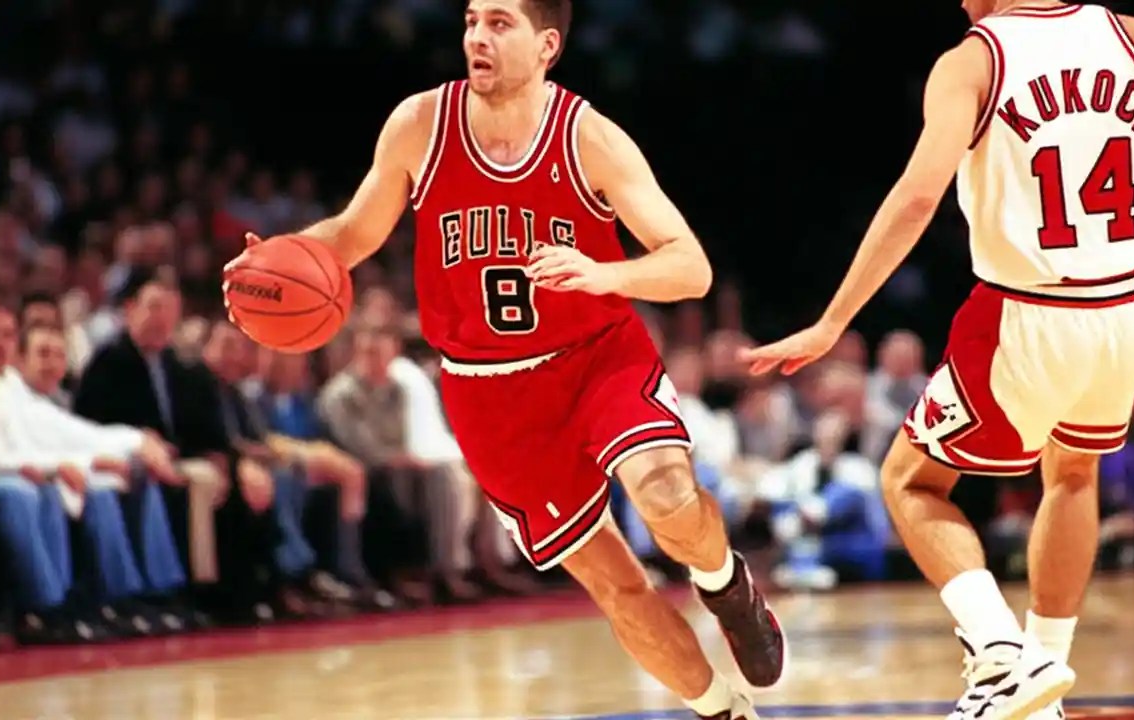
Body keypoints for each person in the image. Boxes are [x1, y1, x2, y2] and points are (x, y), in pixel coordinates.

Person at [227, 1, 783, 717]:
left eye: (499, 23)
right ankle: (722, 711)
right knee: (616, 584)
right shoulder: (420, 125)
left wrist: (605, 273)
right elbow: (354, 233)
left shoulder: (589, 139)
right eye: (470, 21)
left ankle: (722, 579)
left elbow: (690, 267)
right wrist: (273, 266)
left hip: (596, 356)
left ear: (547, 45)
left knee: (668, 497)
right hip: (489, 395)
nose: (476, 38)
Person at [741, 2, 1134, 720]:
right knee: (1073, 471)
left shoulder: (975, 59)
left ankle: (1002, 656)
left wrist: (833, 320)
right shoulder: (1133, 35)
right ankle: (1044, 690)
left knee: (910, 481)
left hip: (1032, 310)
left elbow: (917, 198)